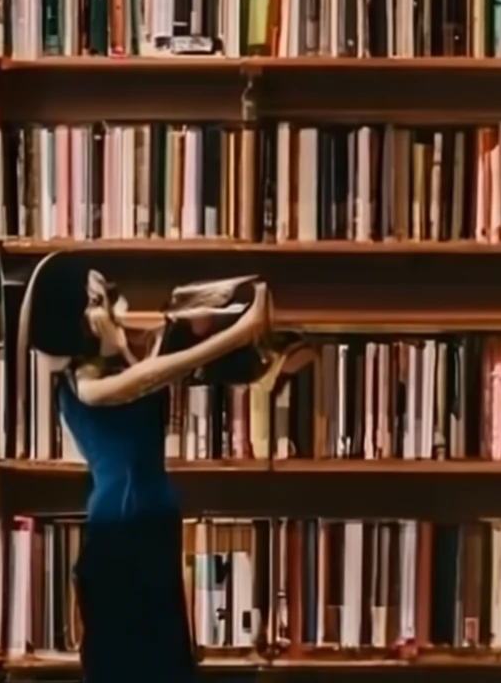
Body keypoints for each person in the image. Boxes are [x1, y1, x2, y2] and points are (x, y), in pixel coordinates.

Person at [16, 251, 305, 683]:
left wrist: (213, 316)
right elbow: (155, 376)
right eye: (101, 298)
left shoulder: (119, 361)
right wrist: (237, 333)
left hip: (148, 526)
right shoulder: (84, 384)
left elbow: (158, 358)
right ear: (83, 319)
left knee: (163, 662)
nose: (118, 303)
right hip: (124, 532)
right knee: (130, 665)